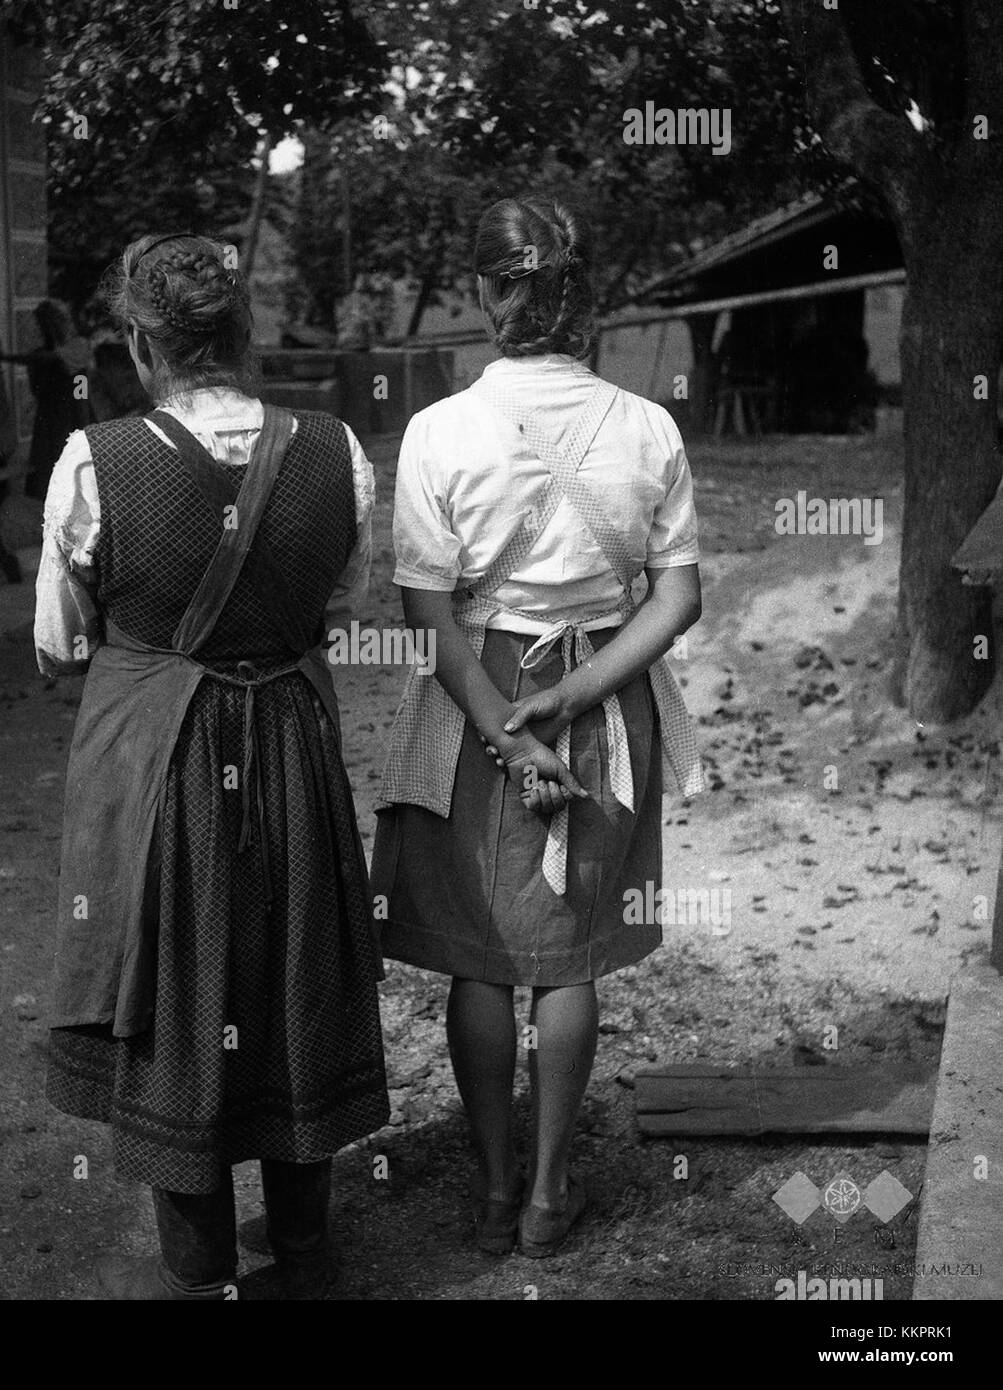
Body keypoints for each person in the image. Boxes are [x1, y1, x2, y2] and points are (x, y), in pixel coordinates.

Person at [35, 232, 390, 1300]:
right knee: (295, 971)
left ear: (142, 346)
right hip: (289, 738)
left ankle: (195, 1264)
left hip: (156, 761)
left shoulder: (94, 460)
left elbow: (59, 644)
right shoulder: (337, 449)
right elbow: (340, 603)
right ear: (244, 336)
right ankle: (306, 1250)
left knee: (176, 975)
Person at [371, 195, 704, 1259]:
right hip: (605, 694)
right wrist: (571, 698)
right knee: (567, 960)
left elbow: (426, 607)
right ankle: (550, 1197)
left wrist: (512, 730)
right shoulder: (647, 425)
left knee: (481, 953)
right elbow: (677, 599)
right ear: (582, 298)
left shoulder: (437, 430)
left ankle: (493, 1186)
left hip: (477, 694)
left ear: (483, 294)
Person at [0, 298, 96, 498]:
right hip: (52, 419)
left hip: (69, 416)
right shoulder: (52, 352)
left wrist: (5, 357)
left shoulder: (78, 346)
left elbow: (80, 388)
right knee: (48, 473)